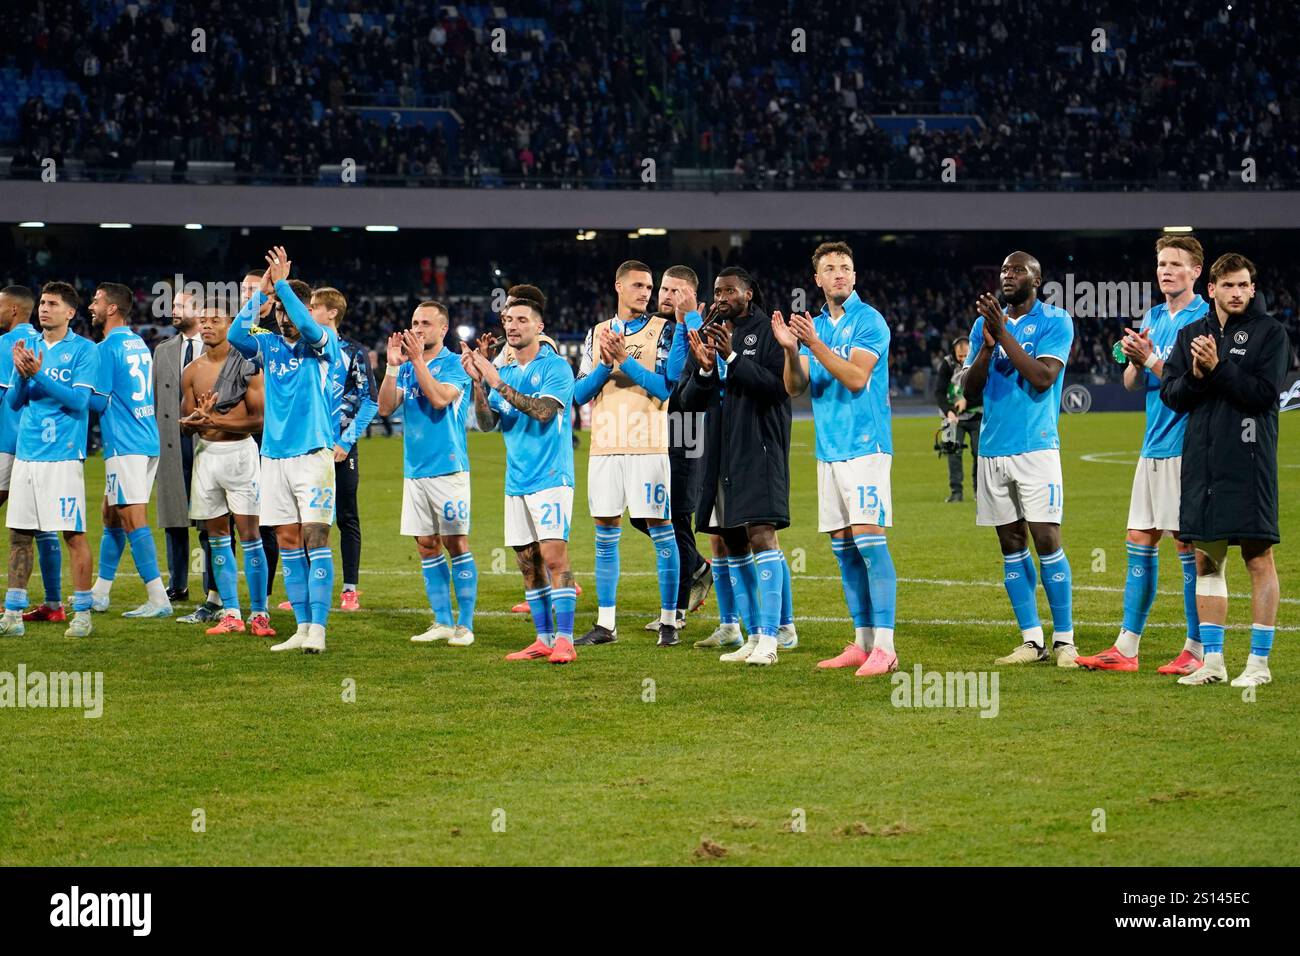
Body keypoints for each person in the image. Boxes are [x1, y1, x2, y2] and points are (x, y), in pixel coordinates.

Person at [1077, 235, 1209, 674]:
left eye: (1175, 264)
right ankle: (1127, 648)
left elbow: (1196, 382)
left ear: (1196, 272)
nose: (1166, 271)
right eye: (1161, 264)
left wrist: (1151, 358)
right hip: (1151, 446)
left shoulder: (1204, 319)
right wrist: (1134, 359)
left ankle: (1197, 648)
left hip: (1186, 446)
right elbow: (1132, 385)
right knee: (1140, 538)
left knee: (1186, 545)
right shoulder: (1152, 316)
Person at [1159, 253, 1287, 687]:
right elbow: (1172, 396)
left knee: (1257, 557)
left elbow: (1263, 396)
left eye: (1243, 286)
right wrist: (1196, 375)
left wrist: (1218, 367)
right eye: (1227, 285)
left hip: (1249, 462)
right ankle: (1212, 663)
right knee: (1207, 560)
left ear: (1253, 289)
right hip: (1202, 463)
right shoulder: (1191, 333)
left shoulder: (1270, 334)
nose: (1236, 293)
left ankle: (1259, 664)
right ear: (1210, 289)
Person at [774, 241, 899, 677]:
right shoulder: (817, 326)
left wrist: (813, 343)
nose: (839, 274)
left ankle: (886, 646)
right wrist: (792, 349)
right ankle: (863, 643)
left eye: (846, 267)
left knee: (870, 544)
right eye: (830, 268)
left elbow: (855, 377)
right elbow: (794, 387)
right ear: (818, 280)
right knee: (845, 550)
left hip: (865, 448)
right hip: (829, 451)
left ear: (855, 275)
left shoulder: (870, 321)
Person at [961, 252, 1078, 667]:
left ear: (1037, 278)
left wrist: (1002, 333)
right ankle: (1032, 640)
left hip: (1036, 447)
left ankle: (1064, 640)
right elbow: (971, 391)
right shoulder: (982, 328)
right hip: (993, 449)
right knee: (1010, 544)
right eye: (1004, 269)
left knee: (1046, 538)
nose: (1008, 275)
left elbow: (1043, 377)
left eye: (1017, 270)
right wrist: (987, 347)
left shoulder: (1055, 320)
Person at [677, 266, 793, 666]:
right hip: (718, 452)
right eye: (717, 291)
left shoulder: (768, 332)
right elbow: (686, 401)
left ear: (748, 292)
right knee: (733, 543)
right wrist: (707, 367)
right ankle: (752, 634)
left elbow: (779, 387)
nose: (722, 297)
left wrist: (729, 356)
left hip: (757, 447)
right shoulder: (708, 333)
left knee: (762, 536)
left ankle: (773, 638)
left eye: (730, 290)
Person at [229, 247, 342, 654]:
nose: (282, 318)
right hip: (274, 456)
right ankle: (301, 626)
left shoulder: (322, 343)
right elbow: (235, 336)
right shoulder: (270, 346)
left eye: (286, 310)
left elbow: (310, 330)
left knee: (316, 539)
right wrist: (262, 294)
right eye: (277, 312)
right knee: (288, 540)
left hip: (313, 455)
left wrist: (284, 291)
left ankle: (320, 629)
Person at [572, 260, 685, 648]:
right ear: (618, 285)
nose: (646, 293)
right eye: (638, 285)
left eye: (650, 287)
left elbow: (665, 386)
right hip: (605, 446)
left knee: (661, 532)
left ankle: (670, 620)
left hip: (647, 446)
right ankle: (606, 624)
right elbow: (579, 394)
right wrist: (605, 365)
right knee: (605, 534)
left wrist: (623, 360)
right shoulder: (597, 333)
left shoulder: (666, 330)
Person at [462, 289, 578, 664]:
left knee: (554, 557)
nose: (512, 326)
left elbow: (544, 412)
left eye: (521, 320)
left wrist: (495, 382)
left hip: (550, 476)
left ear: (539, 326)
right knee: (528, 562)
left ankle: (565, 640)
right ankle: (543, 638)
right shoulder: (505, 369)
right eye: (508, 320)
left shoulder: (555, 367)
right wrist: (479, 384)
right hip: (517, 480)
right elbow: (486, 423)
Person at [0, 282, 99, 638]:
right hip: (27, 454)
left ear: (70, 312)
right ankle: (12, 614)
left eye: (52, 303)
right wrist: (21, 374)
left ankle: (83, 614)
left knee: (73, 534)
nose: (44, 308)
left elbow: (78, 403)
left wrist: (38, 374)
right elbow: (13, 403)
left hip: (62, 457)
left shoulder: (85, 351)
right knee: (19, 535)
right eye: (42, 302)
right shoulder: (28, 346)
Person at [379, 301, 476, 644]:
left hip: (448, 468)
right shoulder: (405, 367)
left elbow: (438, 399)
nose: (418, 329)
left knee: (455, 542)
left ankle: (465, 625)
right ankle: (442, 621)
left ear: (443, 329)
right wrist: (392, 369)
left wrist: (417, 361)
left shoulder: (455, 365)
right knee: (425, 544)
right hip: (414, 470)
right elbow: (385, 407)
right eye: (414, 323)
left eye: (426, 324)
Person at [629, 266, 714, 635]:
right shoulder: (652, 329)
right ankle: (696, 566)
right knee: (641, 516)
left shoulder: (700, 326)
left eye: (677, 291)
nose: (667, 296)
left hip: (686, 431)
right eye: (664, 289)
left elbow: (683, 374)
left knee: (675, 520)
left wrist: (688, 317)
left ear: (693, 297)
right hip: (650, 432)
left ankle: (675, 612)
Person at [178, 309, 272, 637]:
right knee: (217, 538)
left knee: (250, 536)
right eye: (203, 321)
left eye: (216, 320)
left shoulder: (248, 365)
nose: (207, 325)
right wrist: (191, 423)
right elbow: (187, 424)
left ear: (231, 326)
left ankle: (260, 613)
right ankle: (231, 611)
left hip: (240, 455)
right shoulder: (191, 371)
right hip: (206, 458)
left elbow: (259, 420)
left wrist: (214, 420)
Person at [84, 282, 172, 618]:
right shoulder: (137, 343)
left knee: (133, 518)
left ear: (111, 308)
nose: (91, 305)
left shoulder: (105, 349)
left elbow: (98, 400)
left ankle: (157, 597)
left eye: (96, 300)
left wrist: (65, 390)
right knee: (111, 513)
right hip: (147, 438)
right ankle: (100, 592)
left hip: (125, 443)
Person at [154, 287, 220, 621]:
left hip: (206, 442)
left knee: (210, 517)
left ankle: (213, 585)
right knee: (173, 515)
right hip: (169, 442)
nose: (173, 311)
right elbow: (155, 403)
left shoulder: (218, 351)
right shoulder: (163, 350)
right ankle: (177, 582)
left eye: (180, 305)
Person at [238, 268, 283, 600]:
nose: (250, 294)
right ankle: (217, 597)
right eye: (245, 289)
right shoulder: (236, 327)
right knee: (225, 520)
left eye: (257, 289)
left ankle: (263, 597)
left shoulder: (279, 334)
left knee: (269, 521)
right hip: (234, 437)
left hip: (270, 437)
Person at [0, 286, 39, 512]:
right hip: (37, 442)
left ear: (14, 309)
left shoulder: (6, 343)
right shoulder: (44, 342)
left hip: (7, 442)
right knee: (38, 521)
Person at [934, 336, 980, 502]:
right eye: (960, 357)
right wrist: (948, 412)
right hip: (950, 417)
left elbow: (986, 388)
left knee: (979, 454)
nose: (962, 360)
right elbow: (939, 391)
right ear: (954, 352)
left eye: (965, 356)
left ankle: (979, 493)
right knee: (951, 452)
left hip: (978, 414)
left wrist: (967, 401)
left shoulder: (979, 361)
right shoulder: (947, 364)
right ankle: (956, 493)